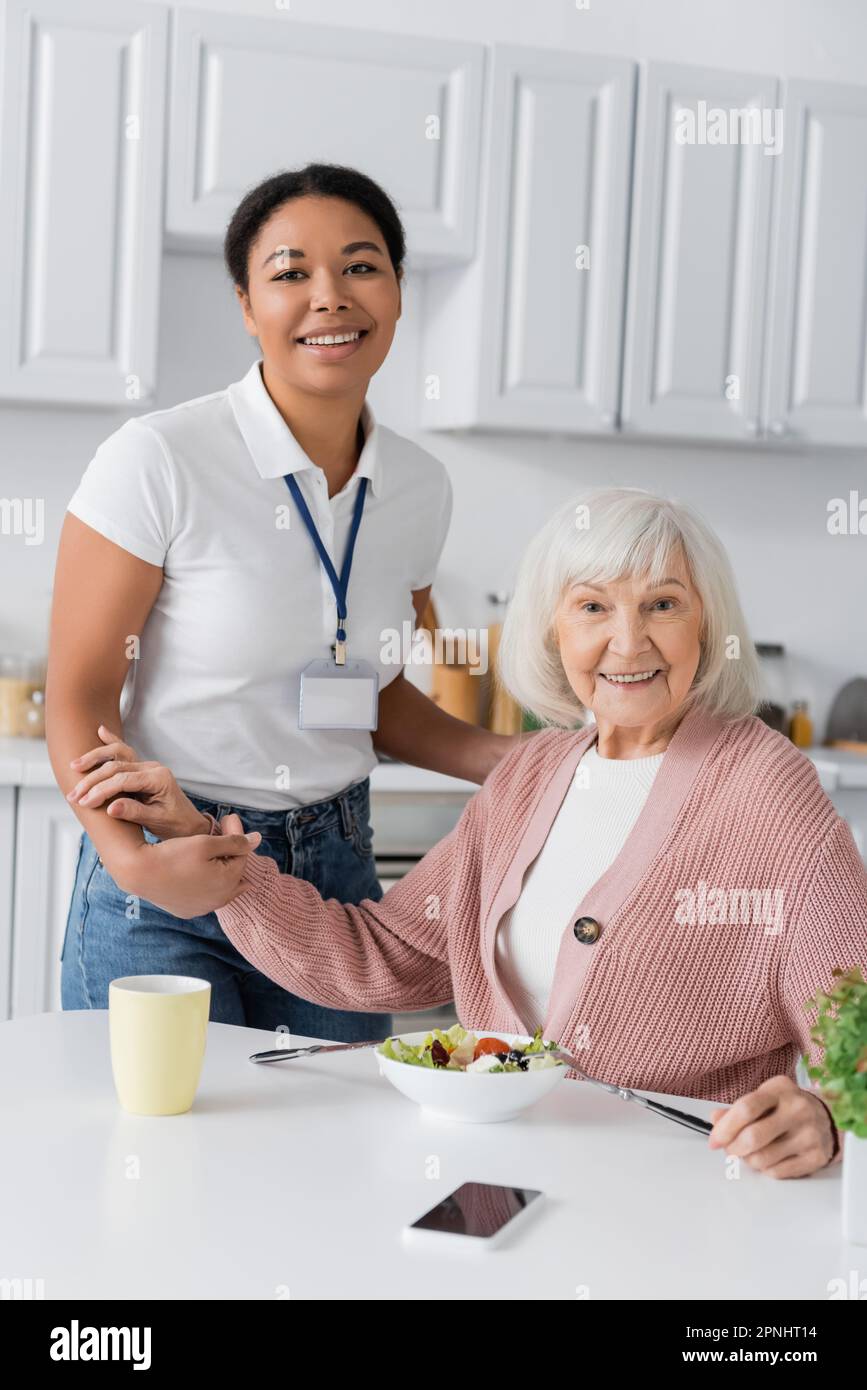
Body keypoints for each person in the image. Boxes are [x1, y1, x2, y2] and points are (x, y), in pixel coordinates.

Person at [68, 488, 867, 1176]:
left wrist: (826, 1123)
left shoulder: (768, 795)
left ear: (706, 625)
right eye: (592, 606)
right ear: (555, 631)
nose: (628, 642)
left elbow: (855, 1032)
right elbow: (384, 958)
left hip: (677, 1202)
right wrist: (223, 858)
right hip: (496, 1176)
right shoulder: (530, 775)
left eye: (663, 604)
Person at [48, 163, 517, 1040]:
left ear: (398, 291)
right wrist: (134, 862)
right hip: (172, 851)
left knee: (330, 1158)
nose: (329, 298)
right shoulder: (158, 457)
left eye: (361, 266)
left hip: (333, 877)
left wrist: (523, 761)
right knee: (166, 1156)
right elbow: (79, 697)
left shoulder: (420, 486)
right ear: (245, 303)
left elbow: (368, 691)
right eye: (291, 273)